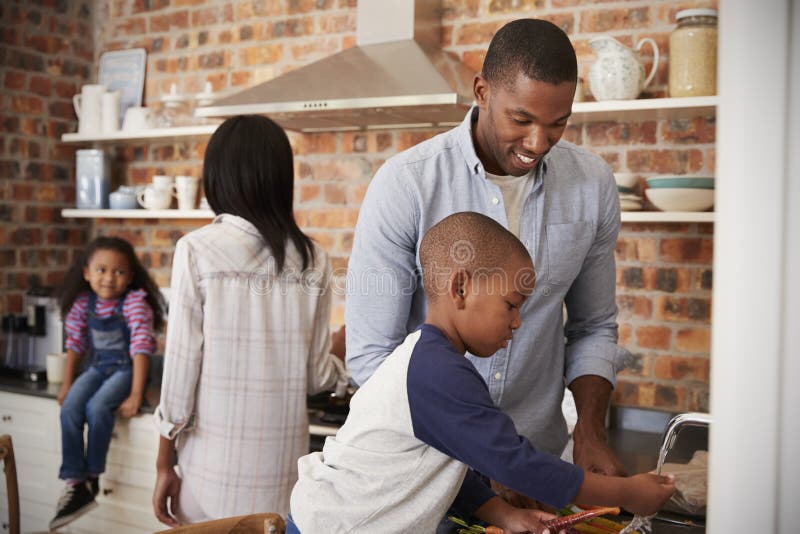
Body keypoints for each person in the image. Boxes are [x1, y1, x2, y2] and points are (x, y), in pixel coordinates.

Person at [346, 18, 630, 507]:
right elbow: (375, 360)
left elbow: (593, 327)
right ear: (481, 91)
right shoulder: (406, 186)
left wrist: (590, 430)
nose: (538, 143)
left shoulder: (592, 185)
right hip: (426, 483)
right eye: (521, 119)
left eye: (557, 123)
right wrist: (478, 473)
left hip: (537, 472)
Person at [288, 212, 674, 533]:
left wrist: (506, 514)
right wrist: (627, 493)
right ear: (461, 288)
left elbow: (436, 471)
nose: (518, 322)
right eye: (511, 305)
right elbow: (516, 464)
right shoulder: (437, 372)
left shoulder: (432, 360)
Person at [152, 115, 349, 526]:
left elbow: (179, 381)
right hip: (281, 481)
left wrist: (163, 467)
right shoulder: (314, 258)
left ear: (217, 177)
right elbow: (316, 378)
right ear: (280, 179)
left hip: (209, 478)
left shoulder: (197, 250)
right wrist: (345, 351)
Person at [50, 236, 164, 530]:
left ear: (130, 276)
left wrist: (136, 393)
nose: (109, 278)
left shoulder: (134, 303)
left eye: (118, 271)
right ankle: (75, 480)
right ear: (87, 273)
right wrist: (67, 383)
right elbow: (75, 345)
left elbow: (140, 350)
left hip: (126, 369)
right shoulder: (82, 305)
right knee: (71, 408)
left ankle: (92, 477)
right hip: (97, 367)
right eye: (101, 270)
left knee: (97, 407)